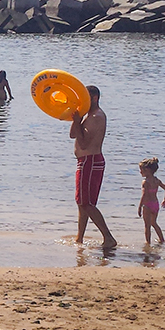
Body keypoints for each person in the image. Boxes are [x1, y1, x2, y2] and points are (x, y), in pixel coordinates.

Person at [69, 85, 115, 248]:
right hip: (84, 161)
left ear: (94, 98)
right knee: (81, 202)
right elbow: (73, 134)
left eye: (86, 98)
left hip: (91, 160)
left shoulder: (96, 116)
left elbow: (84, 142)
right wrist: (77, 119)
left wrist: (77, 121)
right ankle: (79, 238)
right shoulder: (87, 115)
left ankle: (108, 238)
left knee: (87, 203)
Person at [137, 158, 165, 245]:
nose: (140, 172)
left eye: (141, 170)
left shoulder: (145, 182)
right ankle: (162, 240)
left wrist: (140, 206)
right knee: (154, 223)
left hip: (147, 205)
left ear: (147, 170)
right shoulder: (156, 180)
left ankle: (148, 243)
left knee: (147, 226)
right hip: (155, 204)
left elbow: (144, 195)